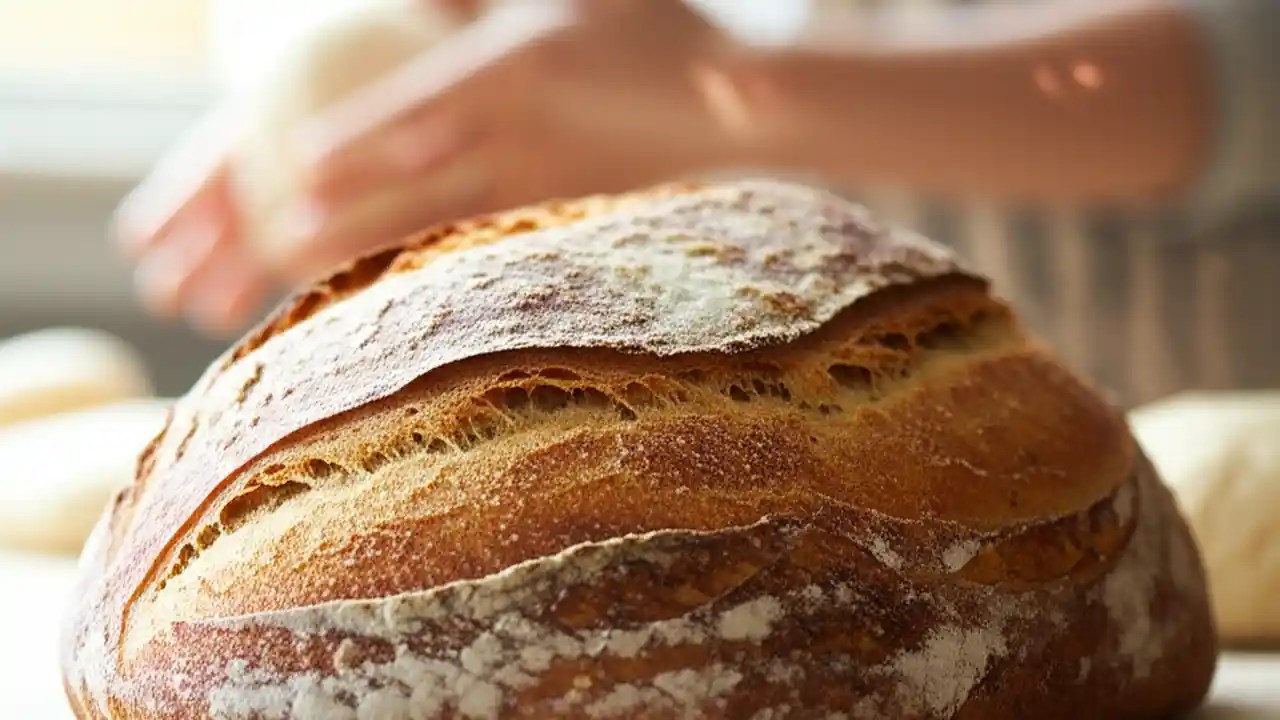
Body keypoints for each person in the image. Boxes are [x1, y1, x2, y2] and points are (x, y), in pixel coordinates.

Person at [115, 0, 1277, 405]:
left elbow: (1247, 71)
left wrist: (733, 97)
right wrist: (382, 108)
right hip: (780, 421)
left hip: (1164, 376)